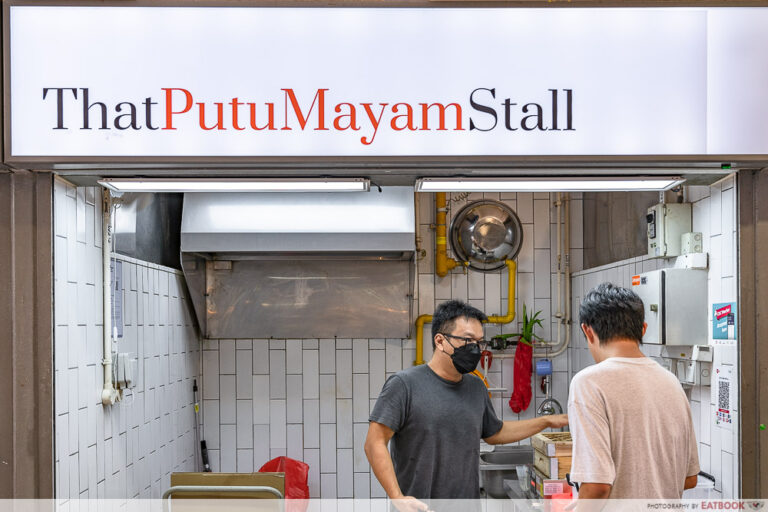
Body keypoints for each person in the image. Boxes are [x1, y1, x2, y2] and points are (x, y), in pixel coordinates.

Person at [365, 300, 568, 507]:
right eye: (468, 340)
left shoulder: (476, 387)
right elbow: (374, 442)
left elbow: (495, 433)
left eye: (480, 342)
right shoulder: (404, 385)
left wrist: (546, 421)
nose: (476, 349)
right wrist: (397, 497)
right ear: (440, 340)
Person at [568, 283, 699, 500]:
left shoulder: (589, 383)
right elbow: (689, 478)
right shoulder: (672, 382)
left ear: (587, 331)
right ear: (643, 330)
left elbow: (596, 485)